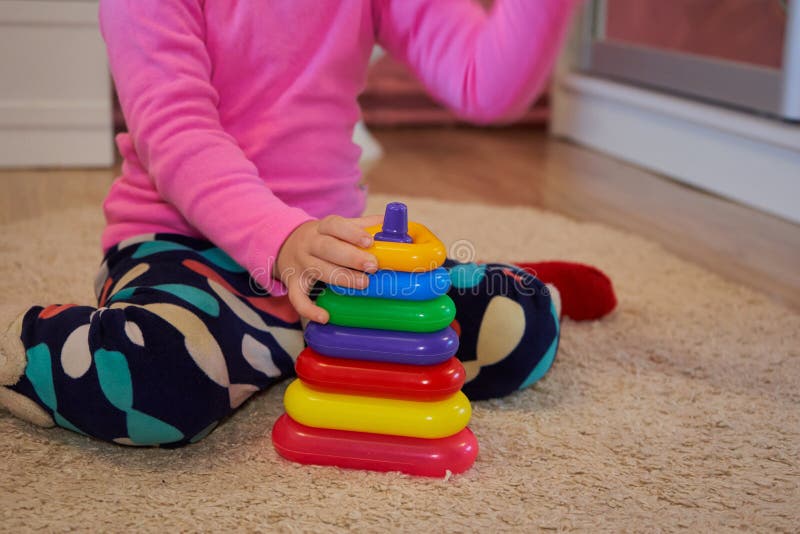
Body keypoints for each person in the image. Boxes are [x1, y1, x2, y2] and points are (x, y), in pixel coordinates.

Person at [0, 0, 614, 448]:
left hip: (331, 255)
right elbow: (175, 130)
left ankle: (283, 345)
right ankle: (27, 349)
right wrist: (280, 241)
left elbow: (486, 83)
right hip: (184, 244)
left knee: (522, 324)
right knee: (159, 382)